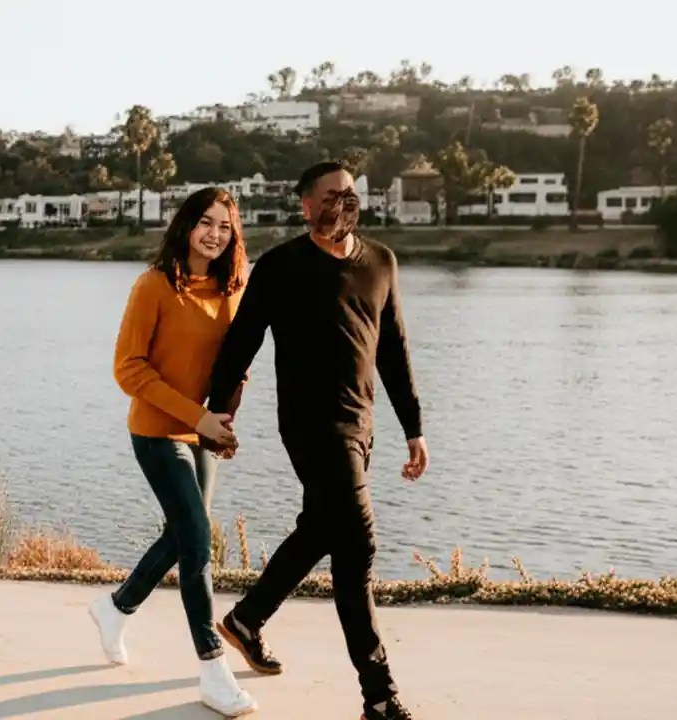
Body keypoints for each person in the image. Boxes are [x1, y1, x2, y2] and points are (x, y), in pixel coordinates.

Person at [202, 161, 429, 720]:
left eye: (348, 193)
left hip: (360, 425)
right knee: (358, 544)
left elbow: (393, 350)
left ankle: (246, 619)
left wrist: (414, 427)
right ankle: (379, 695)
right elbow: (241, 341)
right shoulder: (281, 266)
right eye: (329, 196)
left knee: (322, 528)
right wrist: (217, 413)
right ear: (305, 206)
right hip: (308, 426)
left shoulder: (380, 262)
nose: (341, 203)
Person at [88, 186, 257, 717]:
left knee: (184, 534)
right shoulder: (154, 285)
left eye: (225, 226)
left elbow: (235, 364)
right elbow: (128, 368)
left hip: (200, 431)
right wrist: (196, 417)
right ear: (185, 225)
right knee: (198, 538)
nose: (214, 234)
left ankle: (116, 608)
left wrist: (221, 423)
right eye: (205, 222)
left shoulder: (232, 289)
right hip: (156, 430)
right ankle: (213, 669)